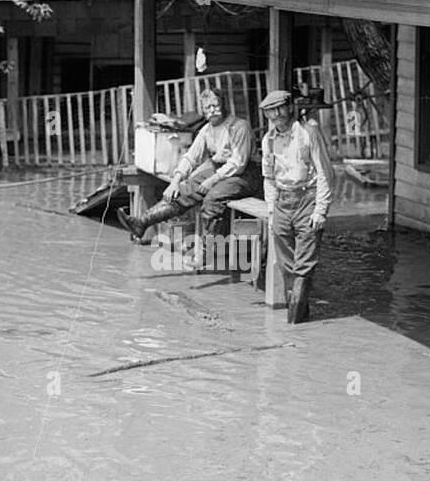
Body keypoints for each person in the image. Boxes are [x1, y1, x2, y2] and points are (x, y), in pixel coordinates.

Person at [117, 89, 262, 252]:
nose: (212, 110)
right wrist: (175, 181)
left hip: (245, 174)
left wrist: (211, 180)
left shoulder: (239, 126)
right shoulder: (207, 130)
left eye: (216, 105)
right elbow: (191, 157)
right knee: (183, 190)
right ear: (203, 111)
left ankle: (209, 251)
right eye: (208, 107)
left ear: (224, 105)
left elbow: (238, 162)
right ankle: (141, 222)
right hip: (221, 170)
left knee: (212, 199)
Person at [260, 89, 334, 323]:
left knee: (304, 265)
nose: (277, 114)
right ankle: (301, 323)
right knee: (286, 266)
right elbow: (269, 178)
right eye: (272, 110)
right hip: (282, 202)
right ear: (267, 114)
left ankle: (293, 325)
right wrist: (272, 212)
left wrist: (320, 210)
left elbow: (325, 174)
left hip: (307, 200)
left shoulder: (308, 133)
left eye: (281, 108)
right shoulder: (268, 140)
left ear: (291, 108)